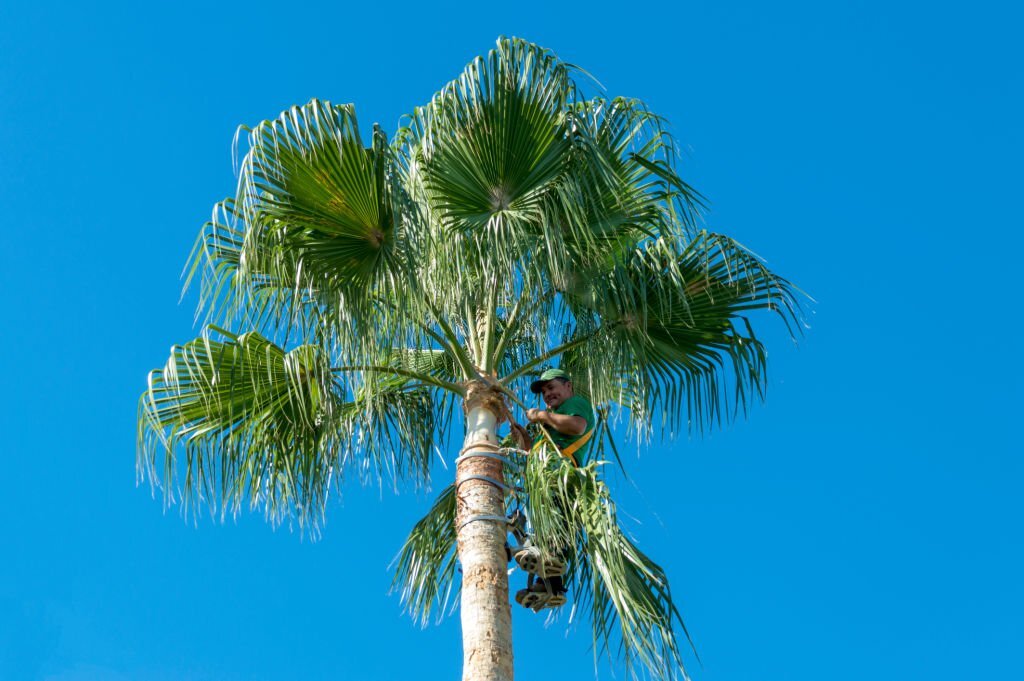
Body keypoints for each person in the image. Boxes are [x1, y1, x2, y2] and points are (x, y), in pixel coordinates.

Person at [509, 368, 596, 610]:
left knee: (553, 523)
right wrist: (524, 438)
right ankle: (550, 586)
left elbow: (577, 426)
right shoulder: (550, 422)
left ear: (567, 386)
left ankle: (548, 564)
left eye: (551, 387)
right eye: (544, 391)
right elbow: (533, 452)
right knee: (548, 528)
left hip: (560, 477)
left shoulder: (575, 404)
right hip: (544, 480)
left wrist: (542, 416)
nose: (547, 394)